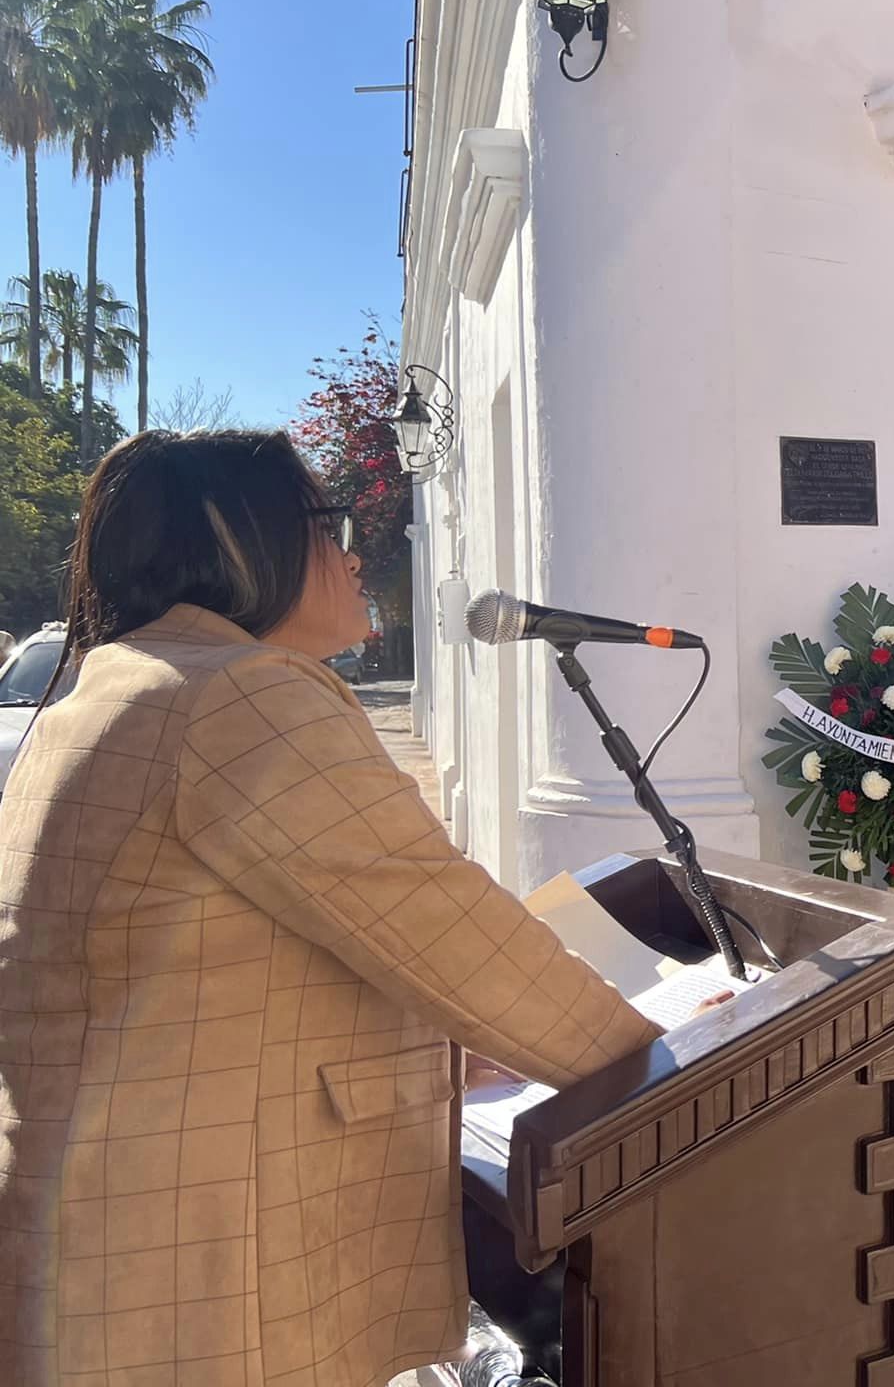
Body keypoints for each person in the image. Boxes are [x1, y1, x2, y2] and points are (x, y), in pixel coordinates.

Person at [0, 431, 677, 1387]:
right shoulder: (243, 698)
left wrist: (441, 1044)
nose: (357, 554)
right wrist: (673, 1069)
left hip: (119, 1235)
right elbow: (447, 930)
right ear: (241, 542)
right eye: (330, 524)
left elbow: (213, 964)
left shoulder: (118, 685)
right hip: (204, 1266)